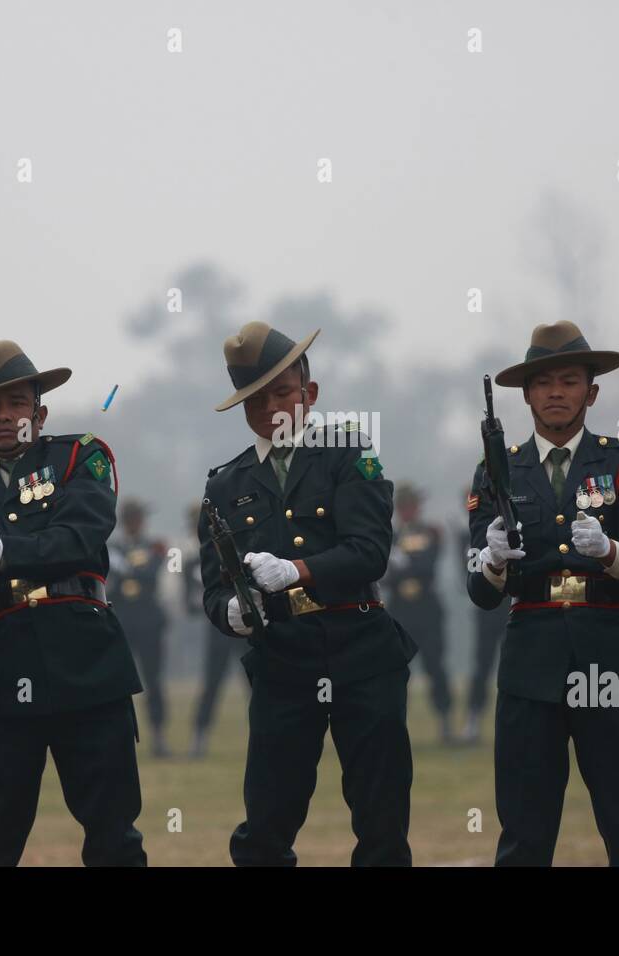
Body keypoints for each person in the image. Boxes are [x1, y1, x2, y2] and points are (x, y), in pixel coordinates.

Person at [0, 340, 145, 866]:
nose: (4, 416)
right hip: (4, 666)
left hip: (87, 662)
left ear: (38, 412)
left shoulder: (78, 456)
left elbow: (82, 535)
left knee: (114, 836)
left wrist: (9, 551)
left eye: (16, 403)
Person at [197, 321, 417, 866]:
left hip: (360, 647)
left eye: (283, 392)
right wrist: (230, 614)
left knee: (381, 819)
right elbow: (213, 589)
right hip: (283, 659)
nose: (271, 408)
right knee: (266, 825)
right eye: (256, 398)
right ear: (241, 408)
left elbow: (370, 551)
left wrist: (297, 570)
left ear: (309, 393)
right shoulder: (225, 485)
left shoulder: (348, 454)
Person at [467, 320, 619, 866]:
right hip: (532, 660)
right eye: (545, 381)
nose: (557, 392)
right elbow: (480, 593)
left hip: (611, 654)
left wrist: (608, 552)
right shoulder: (497, 469)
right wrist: (493, 563)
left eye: (570, 380)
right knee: (524, 837)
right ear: (526, 394)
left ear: (592, 392)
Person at [384, 482, 453, 744]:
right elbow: (382, 574)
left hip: (427, 608)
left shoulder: (431, 531)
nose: (407, 511)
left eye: (410, 506)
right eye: (403, 507)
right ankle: (394, 724)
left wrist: (403, 564)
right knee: (396, 670)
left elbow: (428, 565)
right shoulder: (390, 535)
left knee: (436, 666)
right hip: (400, 610)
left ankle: (445, 722)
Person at [107, 498, 171, 757]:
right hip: (122, 620)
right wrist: (130, 570)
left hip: (148, 620)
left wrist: (128, 569)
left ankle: (158, 735)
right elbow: (110, 581)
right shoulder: (113, 547)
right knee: (118, 680)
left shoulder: (154, 546)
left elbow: (152, 574)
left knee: (153, 679)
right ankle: (118, 735)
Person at [187, 502, 245, 759]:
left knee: (256, 681)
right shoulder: (192, 559)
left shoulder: (237, 547)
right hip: (218, 626)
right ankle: (199, 737)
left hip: (245, 622)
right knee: (212, 684)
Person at [457, 499, 510, 745]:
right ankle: (473, 718)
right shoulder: (468, 532)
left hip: (515, 601)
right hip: (488, 608)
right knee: (482, 665)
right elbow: (469, 571)